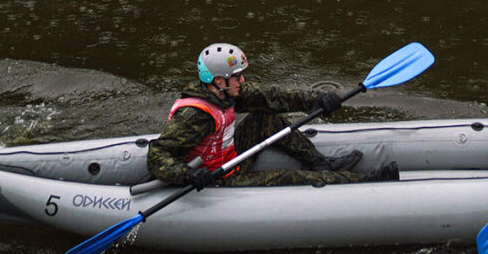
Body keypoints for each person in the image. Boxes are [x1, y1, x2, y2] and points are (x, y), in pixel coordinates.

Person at [146, 42, 399, 189]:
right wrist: (188, 175)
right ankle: (364, 182)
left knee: (265, 117)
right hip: (219, 179)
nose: (242, 80)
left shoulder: (227, 93)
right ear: (219, 80)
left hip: (231, 158)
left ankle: (320, 162)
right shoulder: (194, 115)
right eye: (237, 76)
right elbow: (158, 155)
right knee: (290, 178)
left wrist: (316, 100)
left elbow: (273, 97)